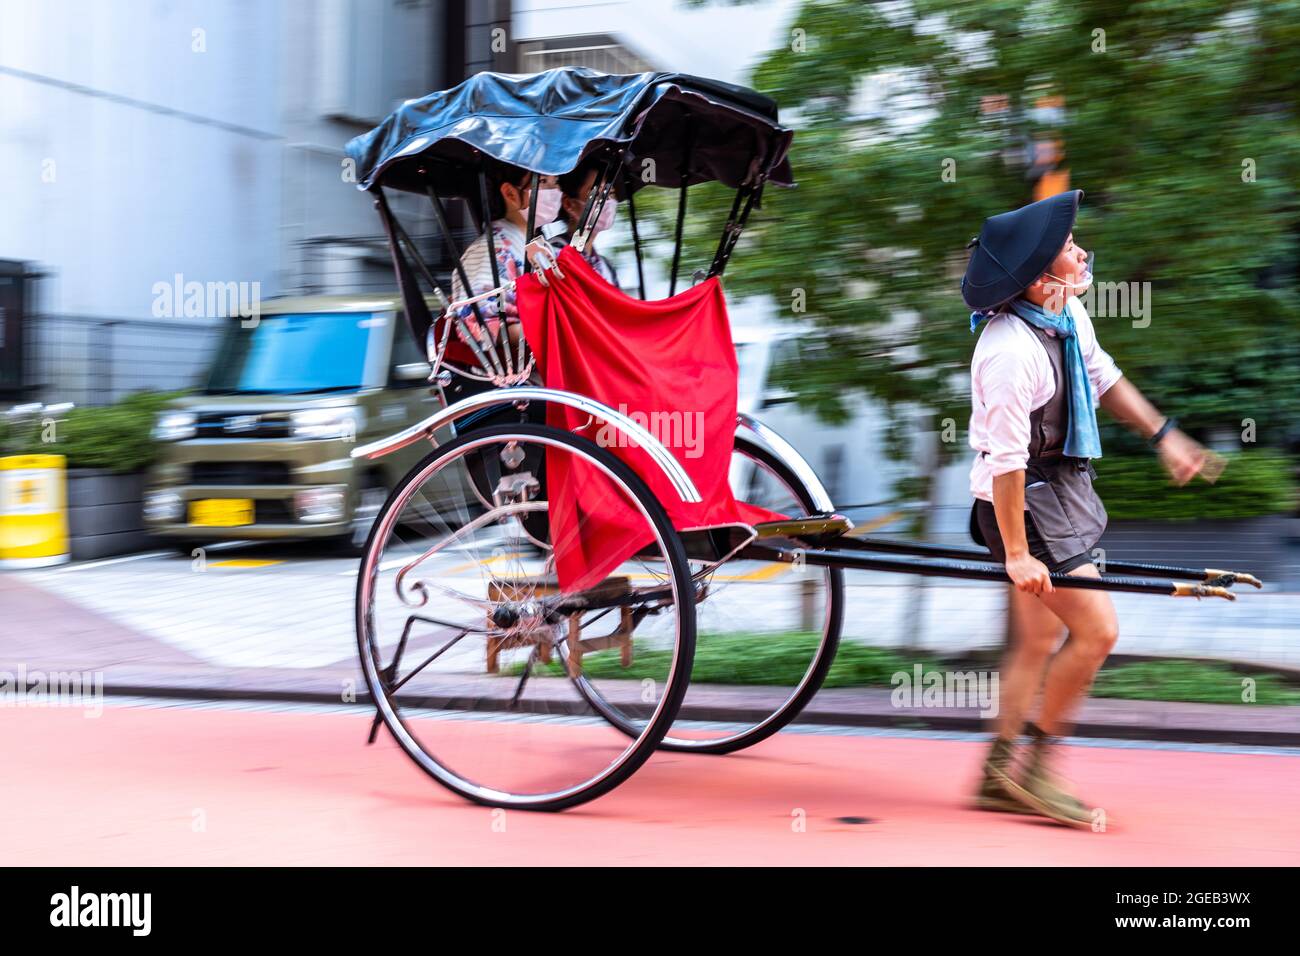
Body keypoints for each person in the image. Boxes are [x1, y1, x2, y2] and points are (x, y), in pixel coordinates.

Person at [962, 189, 1210, 827]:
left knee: (1040, 636)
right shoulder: (1009, 353)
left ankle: (996, 773)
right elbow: (1006, 462)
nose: (1079, 252)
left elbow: (1103, 376)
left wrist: (1164, 436)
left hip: (1055, 487)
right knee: (1097, 631)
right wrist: (1017, 554)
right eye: (1069, 248)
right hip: (1021, 501)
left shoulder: (1066, 316)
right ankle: (1037, 771)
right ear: (1043, 278)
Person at [444, 161, 561, 351]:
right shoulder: (490, 251)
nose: (554, 191)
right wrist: (558, 331)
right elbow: (485, 325)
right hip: (522, 374)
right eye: (543, 182)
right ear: (510, 193)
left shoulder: (546, 250)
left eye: (556, 182)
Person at [552, 162, 621, 288]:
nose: (607, 201)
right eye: (596, 194)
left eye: (610, 193)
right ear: (568, 204)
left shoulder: (606, 267)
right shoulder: (553, 255)